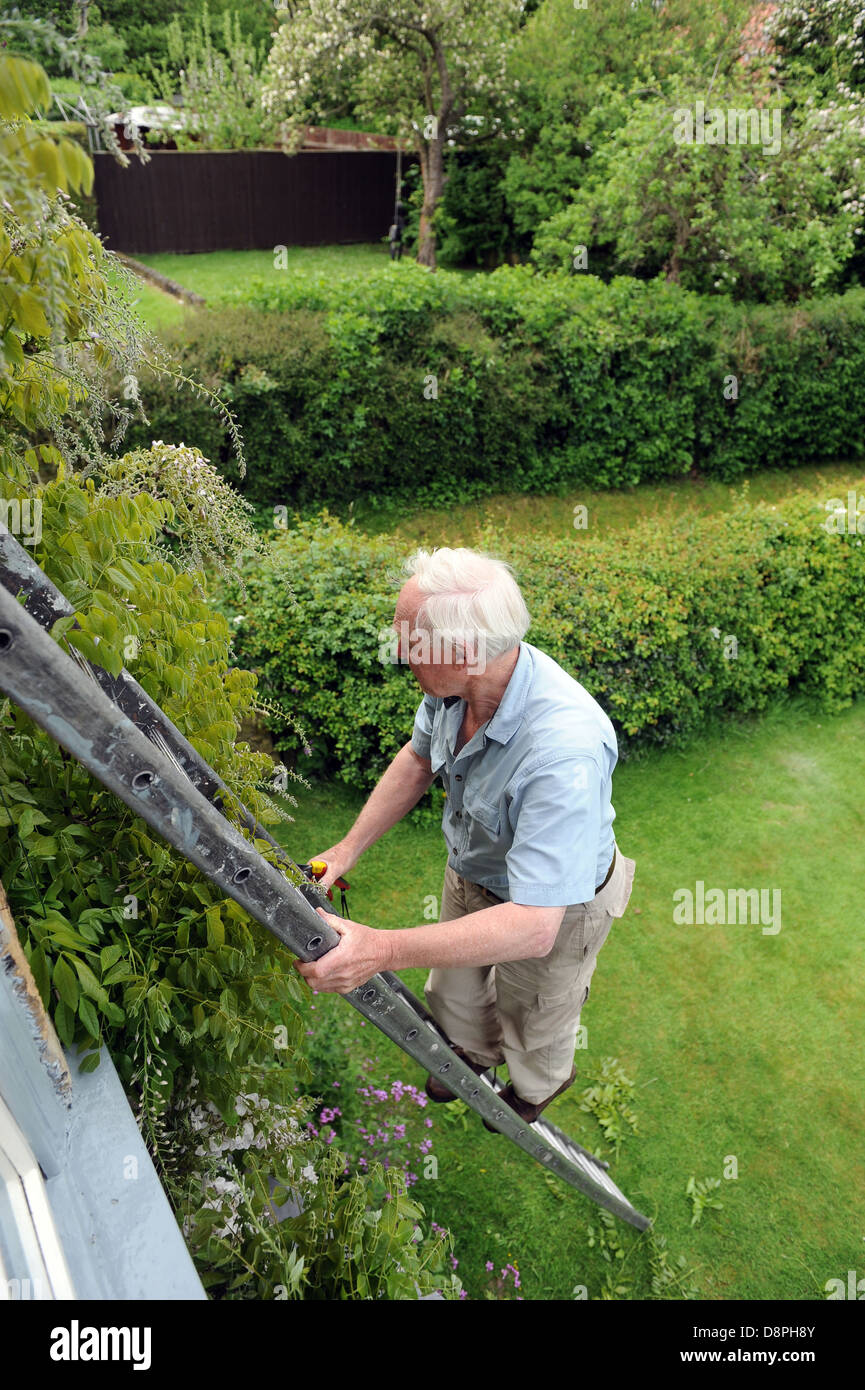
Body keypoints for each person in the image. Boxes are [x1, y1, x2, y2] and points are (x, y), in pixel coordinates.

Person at [297, 547, 636, 1126]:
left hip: (556, 910)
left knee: (535, 1018)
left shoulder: (564, 753)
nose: (399, 651)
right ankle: (473, 1056)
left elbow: (534, 925)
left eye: (411, 643)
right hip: (475, 870)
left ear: (466, 654)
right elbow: (417, 759)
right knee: (452, 993)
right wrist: (344, 850)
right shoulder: (455, 690)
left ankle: (538, 1085)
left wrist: (381, 949)